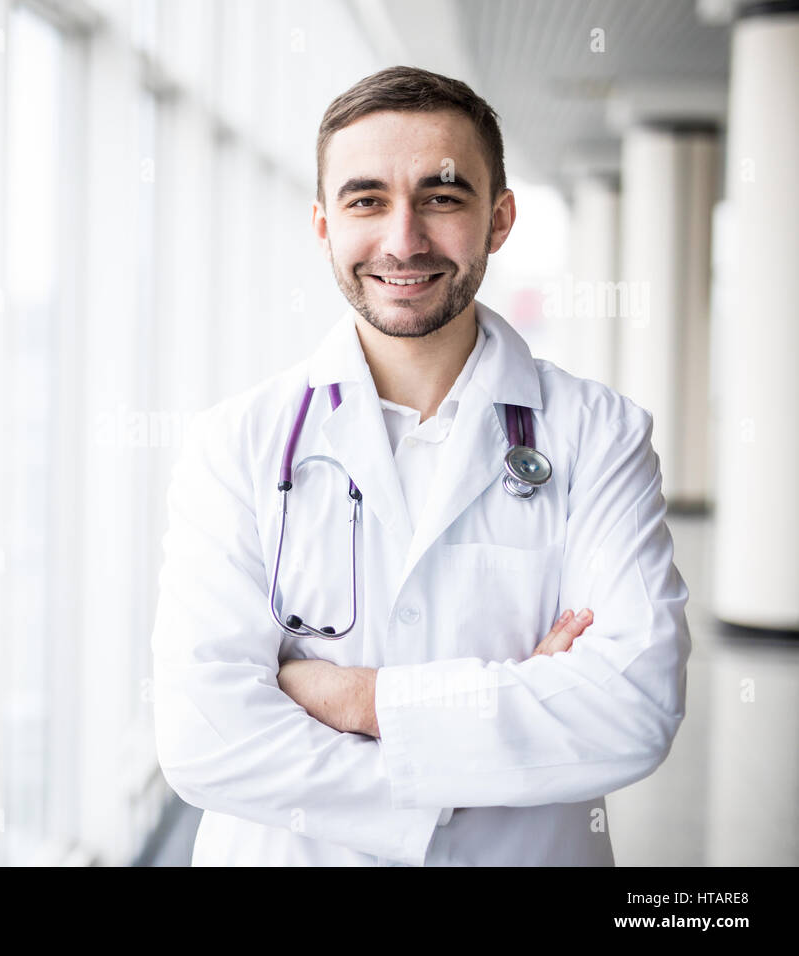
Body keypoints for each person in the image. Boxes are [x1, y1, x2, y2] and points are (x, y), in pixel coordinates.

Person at [149, 66, 691, 866]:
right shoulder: (236, 444)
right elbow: (204, 737)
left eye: (442, 196)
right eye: (366, 199)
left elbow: (634, 706)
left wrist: (357, 699)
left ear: (499, 218)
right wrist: (494, 736)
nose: (404, 240)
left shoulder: (599, 435)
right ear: (324, 223)